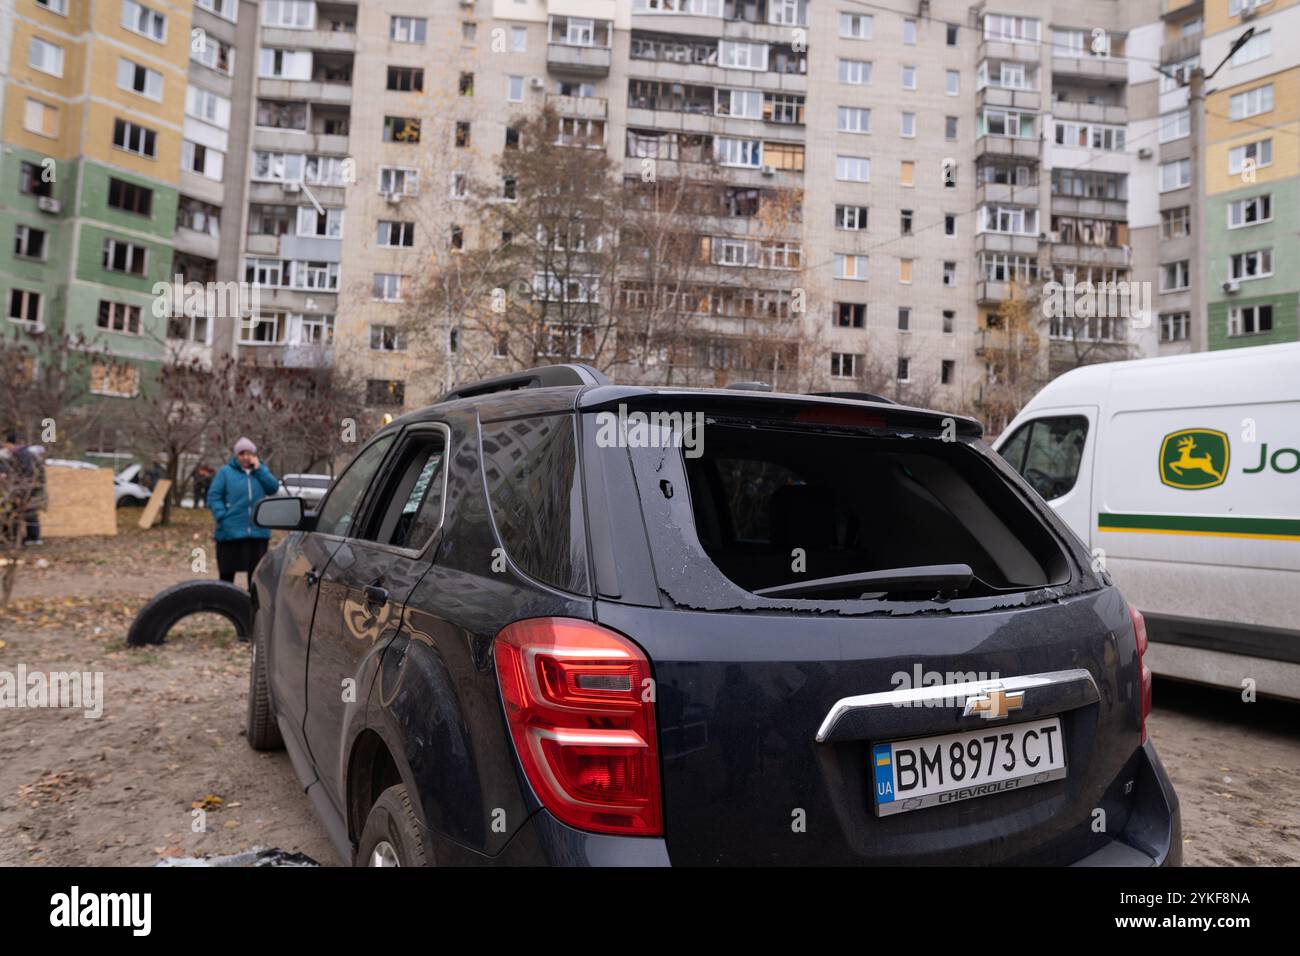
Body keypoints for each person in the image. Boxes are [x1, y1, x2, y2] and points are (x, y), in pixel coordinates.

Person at [207, 438, 278, 586]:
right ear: (236, 455)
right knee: (227, 575)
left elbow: (273, 488)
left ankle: (250, 607)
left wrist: (259, 469)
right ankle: (226, 604)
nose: (246, 457)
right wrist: (222, 516)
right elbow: (214, 496)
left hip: (258, 532)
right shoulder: (225, 472)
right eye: (241, 453)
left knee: (255, 576)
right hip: (231, 531)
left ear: (254, 454)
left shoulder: (261, 471)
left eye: (249, 453)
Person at [2, 432, 46, 546]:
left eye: (5, 444)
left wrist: (20, 489)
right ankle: (12, 536)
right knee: (15, 511)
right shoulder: (19, 453)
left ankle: (33, 538)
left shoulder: (23, 454)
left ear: (9, 444)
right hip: (25, 488)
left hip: (31, 489)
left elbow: (27, 474)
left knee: (29, 512)